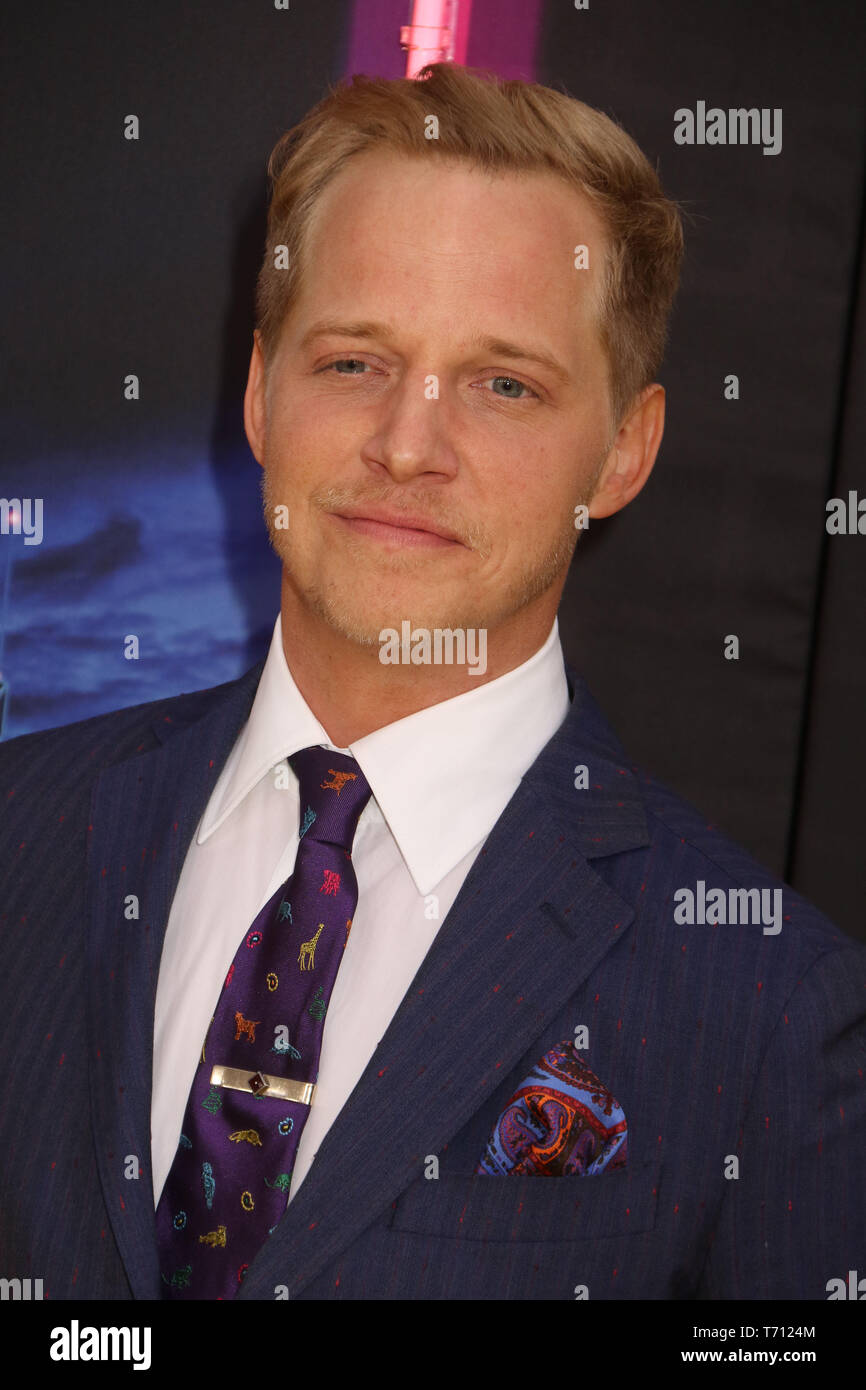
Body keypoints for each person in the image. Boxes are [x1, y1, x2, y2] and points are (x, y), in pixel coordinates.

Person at [1, 62, 863, 1302]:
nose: (407, 443)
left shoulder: (772, 1014)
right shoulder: (20, 831)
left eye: (502, 384)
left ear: (623, 449)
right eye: (354, 362)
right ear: (258, 391)